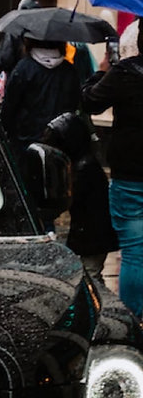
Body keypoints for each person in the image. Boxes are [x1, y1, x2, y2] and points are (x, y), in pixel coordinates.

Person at [81, 23, 143, 316]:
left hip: (130, 174)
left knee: (133, 251)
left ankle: (135, 320)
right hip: (129, 174)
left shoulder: (125, 72)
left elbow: (90, 101)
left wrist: (103, 69)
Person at [40, 112, 119, 285]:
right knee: (89, 276)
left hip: (91, 239)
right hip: (91, 237)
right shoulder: (84, 165)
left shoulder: (83, 171)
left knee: (90, 277)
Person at [0, 38, 81, 155]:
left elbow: (10, 107)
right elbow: (73, 105)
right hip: (60, 142)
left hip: (26, 142)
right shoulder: (69, 71)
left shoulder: (24, 68)